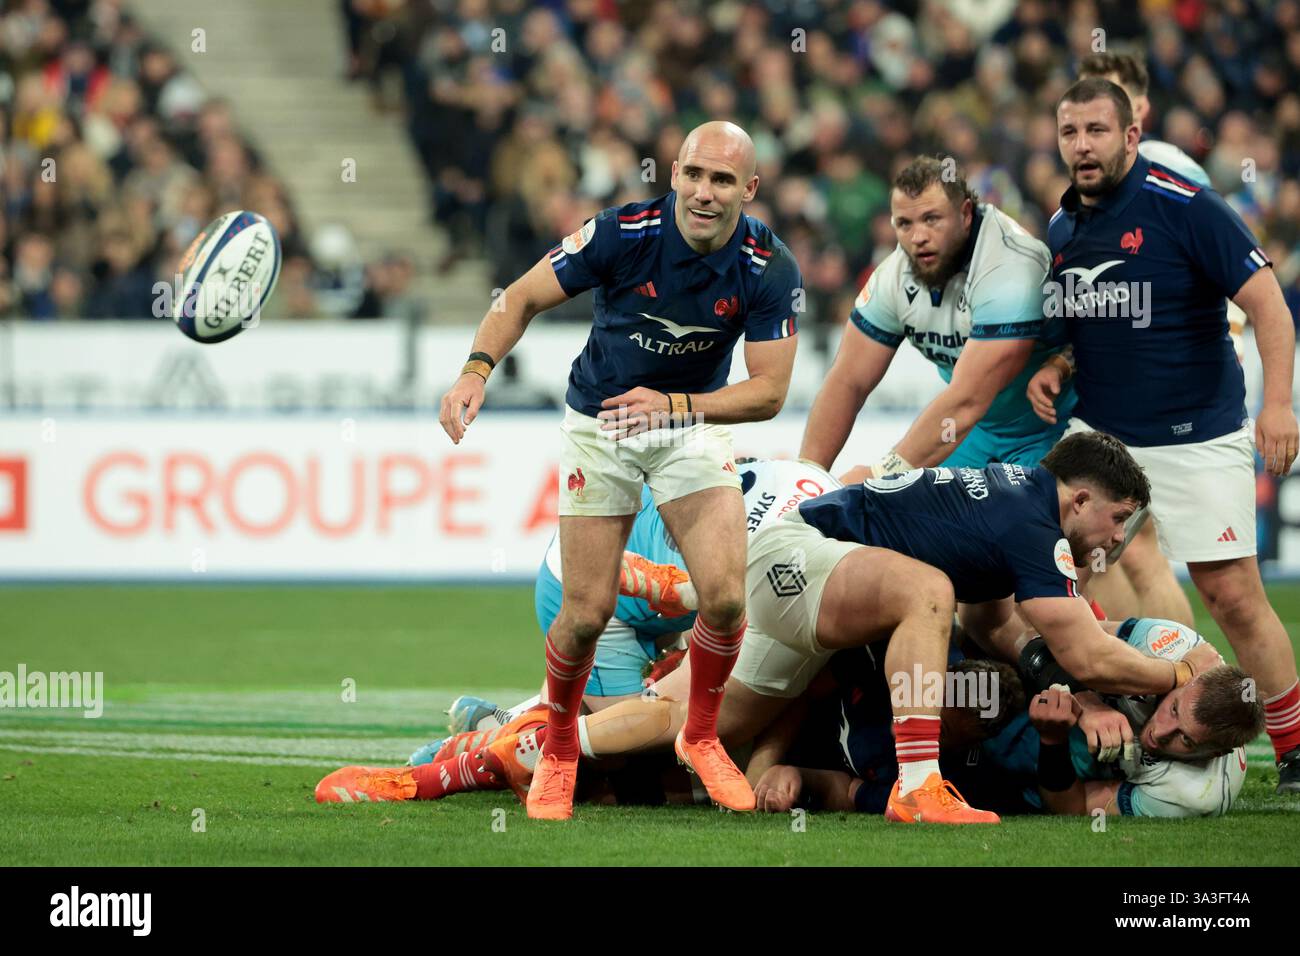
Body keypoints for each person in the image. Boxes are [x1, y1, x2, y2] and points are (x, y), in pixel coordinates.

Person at [437, 121, 803, 818]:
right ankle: (562, 752)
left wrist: (675, 407)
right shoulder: (621, 233)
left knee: (726, 599)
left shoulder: (768, 265)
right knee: (584, 614)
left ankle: (699, 737)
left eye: (723, 180)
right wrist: (474, 373)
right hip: (601, 423)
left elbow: (770, 392)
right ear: (673, 174)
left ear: (749, 190)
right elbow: (517, 298)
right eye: (693, 174)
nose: (704, 191)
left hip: (684, 423)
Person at [1026, 78, 1300, 792]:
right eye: (1069, 132)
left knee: (1234, 593)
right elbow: (1083, 328)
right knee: (1067, 573)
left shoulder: (1187, 207)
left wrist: (1279, 406)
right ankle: (1123, 711)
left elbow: (1268, 303)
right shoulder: (1063, 229)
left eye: (1095, 130)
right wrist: (1057, 364)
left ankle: (1295, 746)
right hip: (1103, 442)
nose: (1081, 145)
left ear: (1129, 136)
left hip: (1197, 435)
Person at [800, 156, 1074, 478]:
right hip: (974, 432)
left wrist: (882, 473)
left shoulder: (1011, 267)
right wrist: (806, 476)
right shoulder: (894, 275)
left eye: (932, 219)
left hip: (1053, 429)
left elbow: (967, 400)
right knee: (894, 516)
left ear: (965, 214)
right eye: (905, 224)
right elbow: (848, 381)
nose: (918, 237)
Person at [1024, 617, 1262, 817]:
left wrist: (1052, 741)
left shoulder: (1194, 794)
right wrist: (1086, 702)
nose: (1159, 733)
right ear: (1191, 680)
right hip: (1038, 686)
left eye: (1186, 740)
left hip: (1049, 765)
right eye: (1174, 709)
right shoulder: (1170, 646)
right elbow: (1045, 639)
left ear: (1214, 753)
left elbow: (1071, 807)